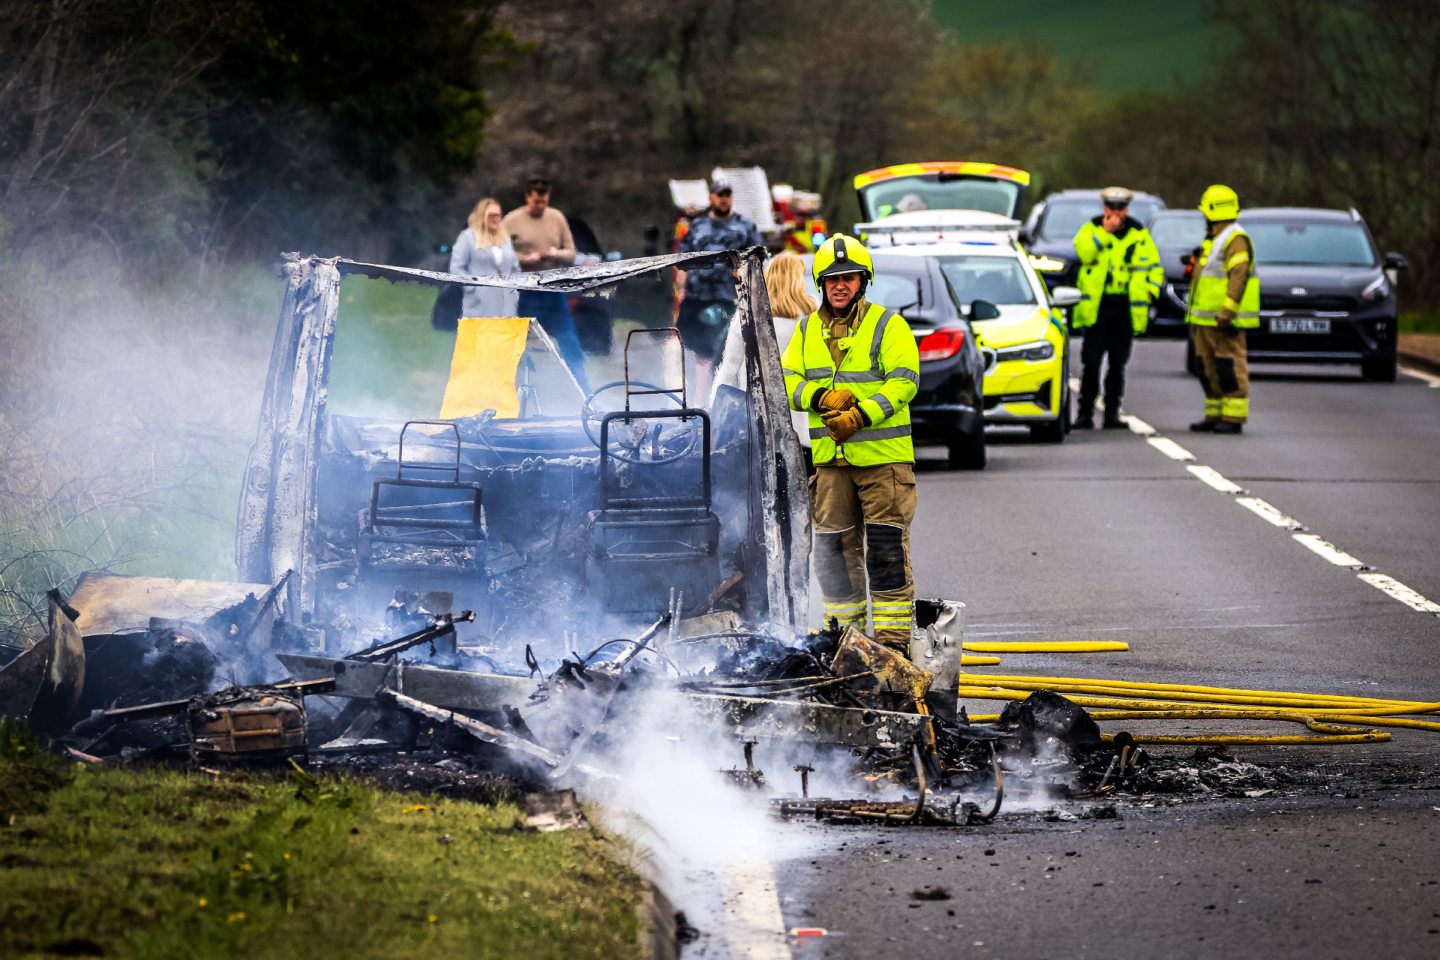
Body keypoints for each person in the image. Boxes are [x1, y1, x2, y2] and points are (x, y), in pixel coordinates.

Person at [780, 234, 920, 652]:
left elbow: (905, 382)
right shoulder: (805, 329)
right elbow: (785, 380)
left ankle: (891, 649)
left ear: (863, 281)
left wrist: (861, 415)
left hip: (883, 461)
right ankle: (844, 644)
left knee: (885, 553)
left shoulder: (889, 325)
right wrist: (820, 398)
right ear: (821, 284)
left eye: (849, 278)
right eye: (832, 279)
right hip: (830, 463)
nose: (840, 285)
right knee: (833, 556)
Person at [1070, 187, 1162, 429]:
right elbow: (1084, 253)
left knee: (1118, 364)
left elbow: (1154, 268)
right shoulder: (1091, 229)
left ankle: (1112, 413)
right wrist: (1105, 233)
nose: (1116, 213)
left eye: (1120, 208)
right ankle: (1085, 414)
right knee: (1091, 363)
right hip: (1098, 308)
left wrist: (1151, 292)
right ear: (1105, 209)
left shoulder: (1139, 234)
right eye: (1112, 208)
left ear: (1126, 210)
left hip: (1125, 308)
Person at [674, 175, 763, 394]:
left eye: (727, 195)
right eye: (719, 195)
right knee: (702, 354)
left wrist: (752, 295)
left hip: (730, 299)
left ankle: (725, 398)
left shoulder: (745, 227)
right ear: (711, 198)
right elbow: (681, 260)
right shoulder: (697, 226)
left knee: (730, 352)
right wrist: (680, 291)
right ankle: (701, 400)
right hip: (698, 298)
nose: (723, 199)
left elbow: (757, 263)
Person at [1186, 184, 1259, 434]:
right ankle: (1214, 414)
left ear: (1212, 212)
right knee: (1207, 367)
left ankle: (1233, 417)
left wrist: (1227, 311)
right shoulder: (1216, 239)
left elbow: (1239, 275)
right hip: (1206, 319)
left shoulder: (1235, 238)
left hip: (1223, 319)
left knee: (1228, 365)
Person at [502, 176, 587, 389]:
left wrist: (556, 254)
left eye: (544, 201)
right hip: (523, 290)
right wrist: (524, 259)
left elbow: (571, 253)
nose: (540, 206)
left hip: (552, 289)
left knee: (568, 337)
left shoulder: (556, 218)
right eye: (536, 202)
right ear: (527, 197)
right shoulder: (511, 221)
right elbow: (501, 255)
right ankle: (510, 388)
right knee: (514, 340)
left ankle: (583, 389)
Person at [449, 198, 520, 318]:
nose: (496, 219)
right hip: (479, 307)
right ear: (482, 216)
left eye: (498, 215)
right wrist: (473, 289)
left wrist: (515, 291)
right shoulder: (467, 237)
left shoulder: (505, 239)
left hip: (507, 306)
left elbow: (515, 268)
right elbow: (456, 268)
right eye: (491, 215)